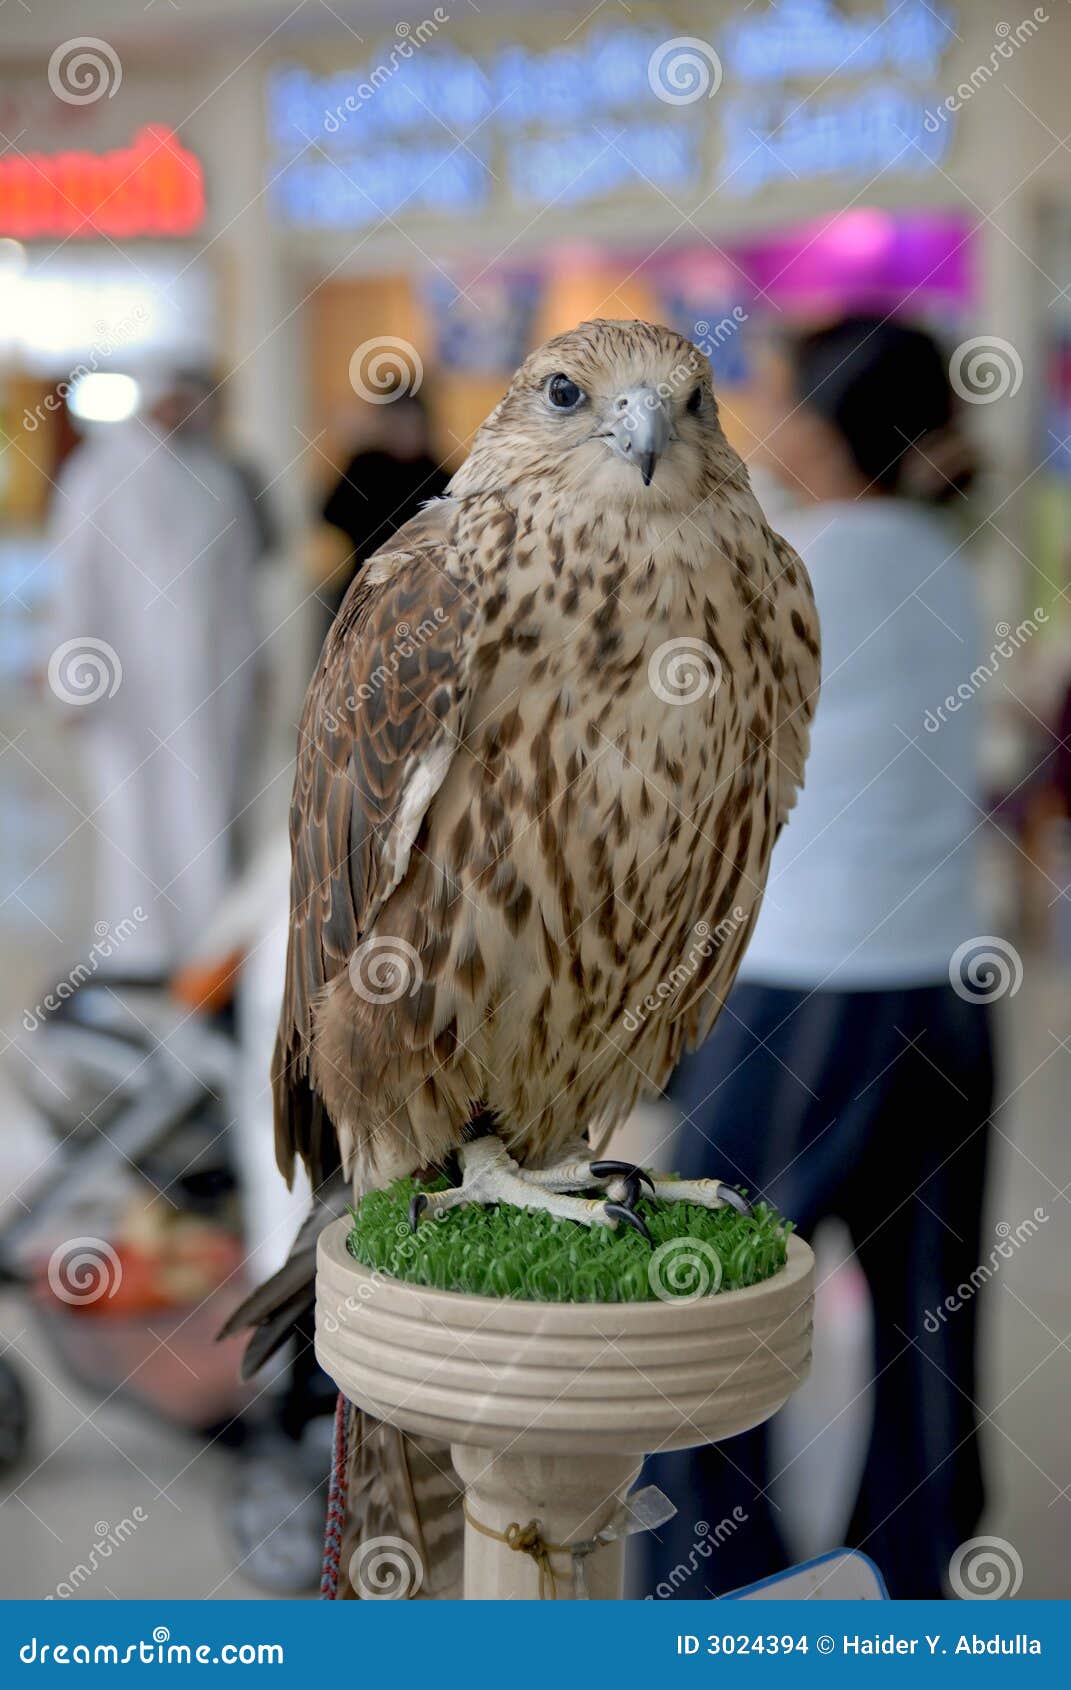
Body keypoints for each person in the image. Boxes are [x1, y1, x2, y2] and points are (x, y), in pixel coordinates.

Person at [631, 316, 992, 1601]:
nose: (758, 410)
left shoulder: (800, 561)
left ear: (832, 423)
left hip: (807, 998)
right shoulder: (947, 564)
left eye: (776, 386)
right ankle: (913, 1584)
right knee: (924, 1317)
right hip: (947, 992)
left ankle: (715, 1595)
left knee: (696, 1305)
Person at [47, 369, 260, 975]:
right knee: (131, 816)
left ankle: (206, 946)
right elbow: (76, 582)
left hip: (209, 687)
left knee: (205, 809)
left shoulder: (217, 480)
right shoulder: (98, 473)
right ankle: (135, 952)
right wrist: (71, 675)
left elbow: (240, 592)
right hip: (122, 686)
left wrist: (253, 673)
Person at [317, 391, 449, 630]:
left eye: (411, 424)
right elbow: (328, 514)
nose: (405, 433)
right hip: (365, 594)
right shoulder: (364, 467)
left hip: (424, 597)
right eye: (397, 424)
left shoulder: (441, 476)